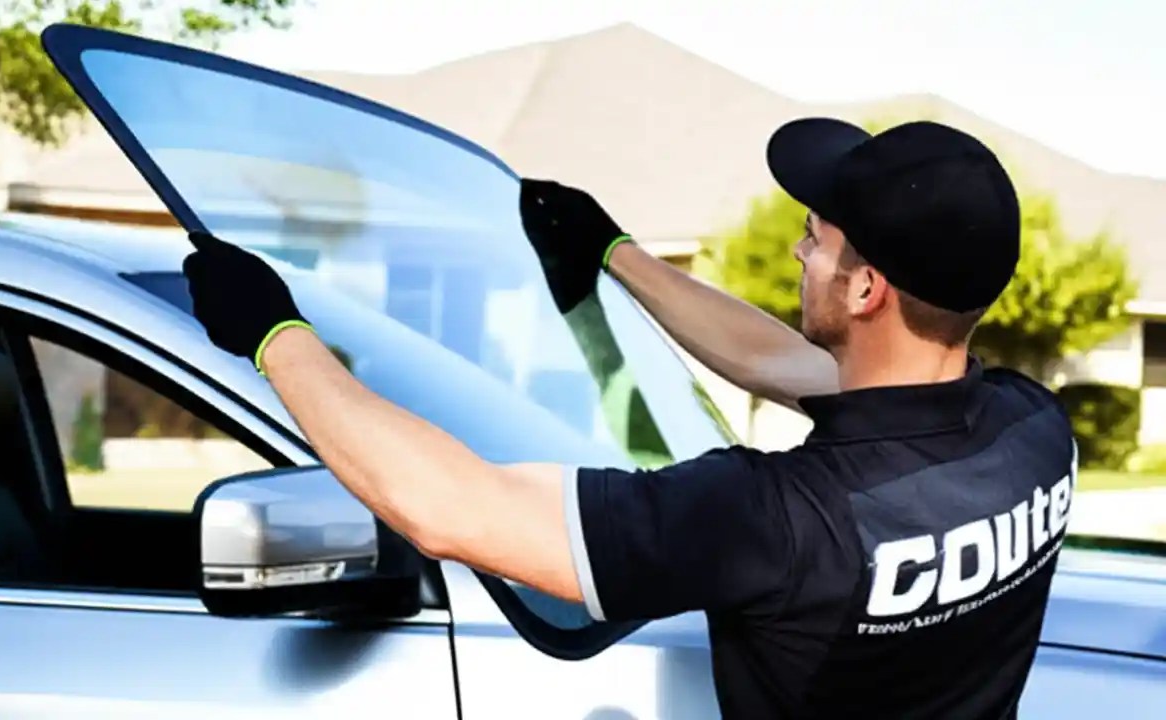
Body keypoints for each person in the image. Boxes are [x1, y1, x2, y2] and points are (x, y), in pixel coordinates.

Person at [181, 117, 1077, 719]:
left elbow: (452, 509)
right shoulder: (1032, 434)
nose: (798, 249)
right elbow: (778, 361)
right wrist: (615, 253)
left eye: (815, 237)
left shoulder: (773, 519)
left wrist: (276, 336)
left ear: (868, 288)